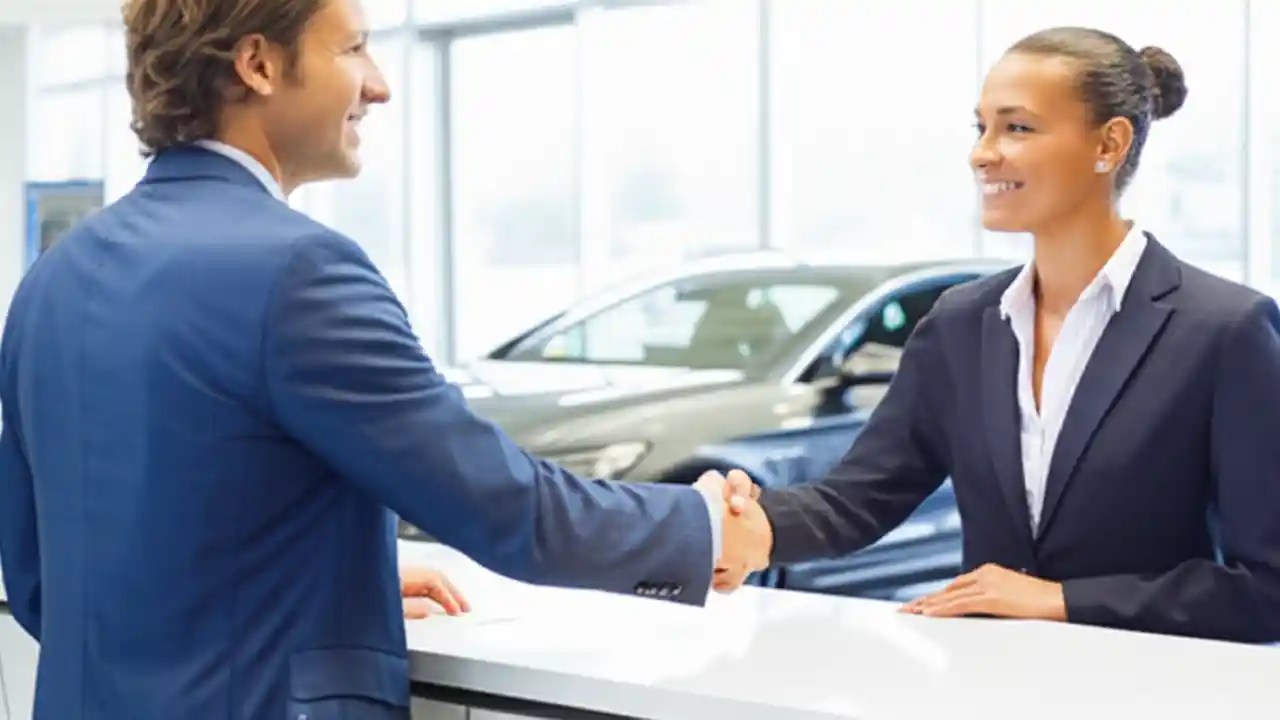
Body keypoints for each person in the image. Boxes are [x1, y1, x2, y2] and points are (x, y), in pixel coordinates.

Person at [0, 0, 766, 718]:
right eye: (355, 48)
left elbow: (41, 580)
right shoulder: (299, 270)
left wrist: (322, 587)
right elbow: (507, 507)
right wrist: (703, 529)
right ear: (259, 65)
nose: (381, 86)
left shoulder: (53, 280)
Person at [714, 26, 1280, 643]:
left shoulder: (1224, 331)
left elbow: (1267, 588)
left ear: (1109, 144)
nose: (982, 153)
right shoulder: (960, 324)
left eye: (1017, 128)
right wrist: (750, 524)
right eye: (981, 127)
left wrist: (1062, 601)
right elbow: (859, 500)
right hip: (988, 689)